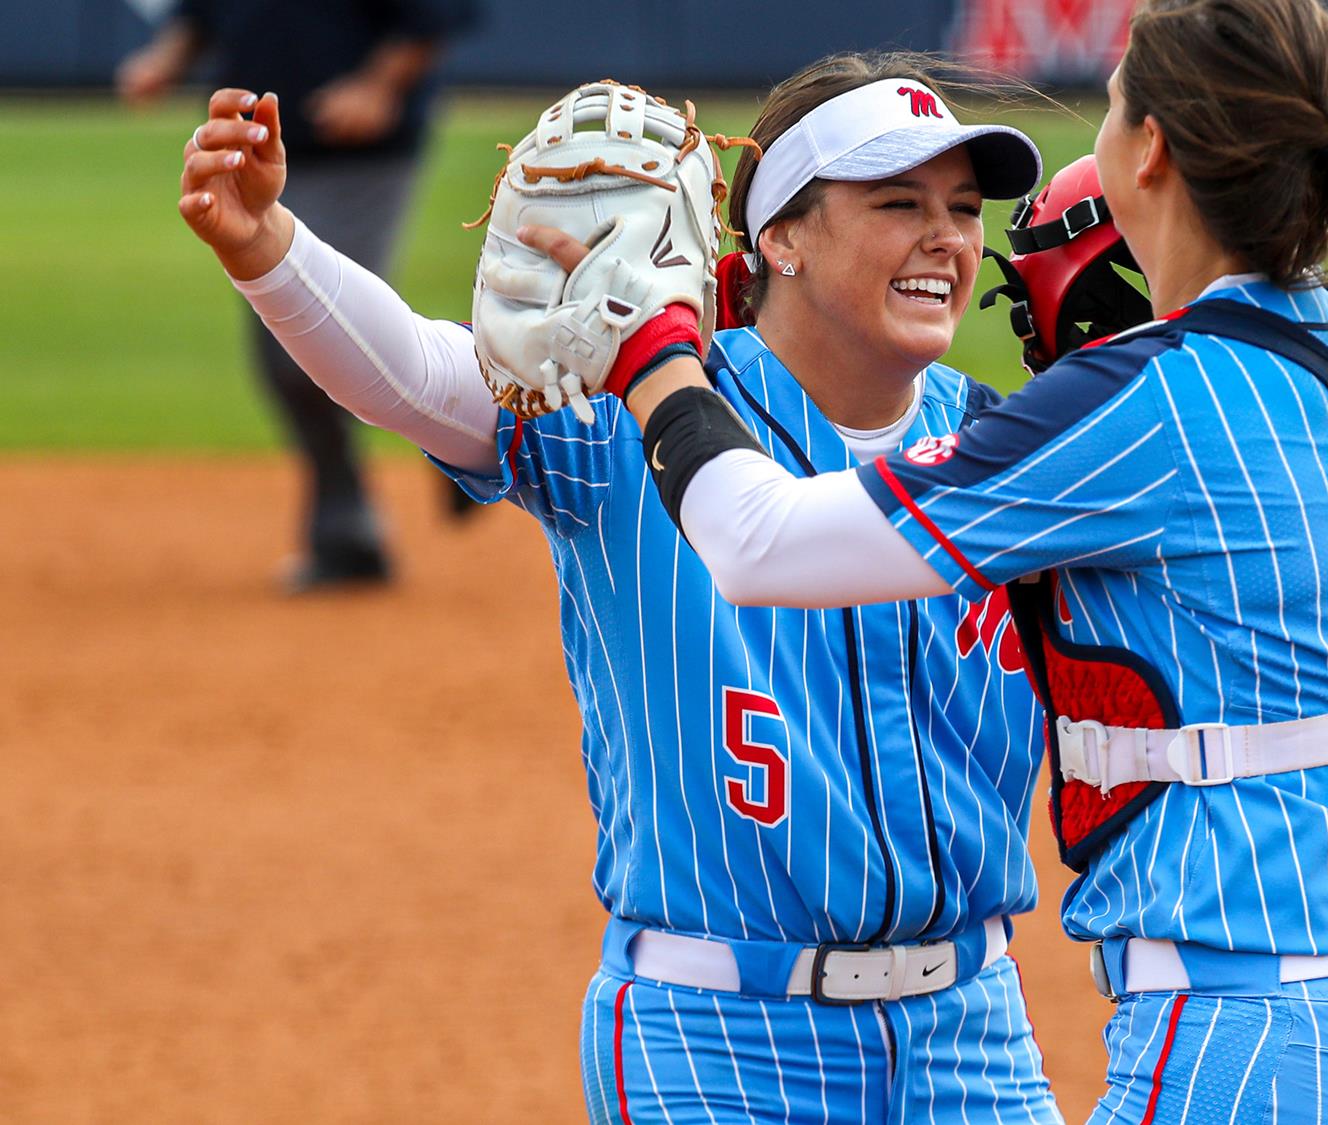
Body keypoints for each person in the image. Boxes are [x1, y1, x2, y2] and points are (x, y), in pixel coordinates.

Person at [619, 0, 1328, 1118]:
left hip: (1242, 1055)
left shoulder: (1151, 400)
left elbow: (757, 542)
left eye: (1113, 99)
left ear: (1152, 151)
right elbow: (1280, 712)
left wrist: (655, 349)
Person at [175, 56, 1066, 1124]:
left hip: (972, 1036)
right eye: (897, 204)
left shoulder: (1006, 448)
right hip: (719, 1043)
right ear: (778, 237)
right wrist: (269, 247)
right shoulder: (629, 414)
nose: (948, 239)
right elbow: (415, 372)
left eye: (964, 210)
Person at [121, 0, 479, 590]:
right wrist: (165, 59)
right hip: (253, 163)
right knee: (287, 346)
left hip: (359, 157)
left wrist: (376, 86)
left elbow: (429, 17)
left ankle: (444, 421)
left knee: (302, 341)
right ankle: (455, 400)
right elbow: (204, 16)